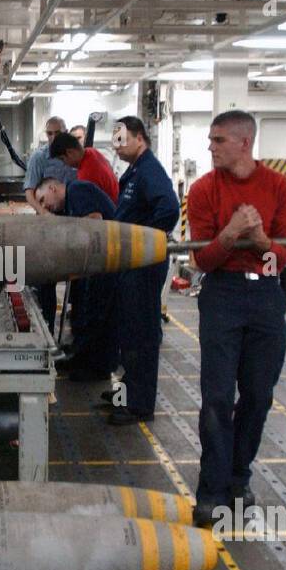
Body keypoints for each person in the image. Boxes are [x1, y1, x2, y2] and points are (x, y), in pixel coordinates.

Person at [186, 111, 286, 527]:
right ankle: (211, 490)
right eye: (211, 139)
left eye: (218, 140)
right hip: (222, 295)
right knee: (217, 397)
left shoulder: (281, 187)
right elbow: (203, 261)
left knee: (258, 395)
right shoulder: (203, 190)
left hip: (266, 294)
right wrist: (231, 233)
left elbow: (280, 260)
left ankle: (238, 476)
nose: (210, 147)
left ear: (244, 143)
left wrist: (262, 239)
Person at [104, 115, 179, 425]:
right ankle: (125, 394)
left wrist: (144, 242)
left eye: (121, 139)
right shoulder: (135, 170)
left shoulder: (150, 171)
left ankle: (139, 404)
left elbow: (169, 209)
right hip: (130, 264)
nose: (117, 146)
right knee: (128, 333)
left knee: (141, 335)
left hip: (143, 265)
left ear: (139, 138)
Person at [36, 176, 118, 381]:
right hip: (95, 264)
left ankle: (99, 368)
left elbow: (95, 221)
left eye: (43, 200)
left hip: (108, 261)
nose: (44, 206)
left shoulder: (78, 191)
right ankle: (81, 358)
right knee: (84, 314)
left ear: (53, 188)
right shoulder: (70, 201)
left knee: (98, 315)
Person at [23, 117, 76, 336]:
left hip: (73, 222)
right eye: (49, 134)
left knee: (78, 280)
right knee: (47, 281)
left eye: (57, 133)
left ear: (66, 132)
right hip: (48, 225)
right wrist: (44, 213)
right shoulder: (39, 158)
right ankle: (48, 331)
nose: (53, 138)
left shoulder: (73, 157)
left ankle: (77, 330)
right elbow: (29, 192)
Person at [48, 131, 119, 202]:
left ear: (70, 152)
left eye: (62, 159)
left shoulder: (86, 175)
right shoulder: (92, 151)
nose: (64, 163)